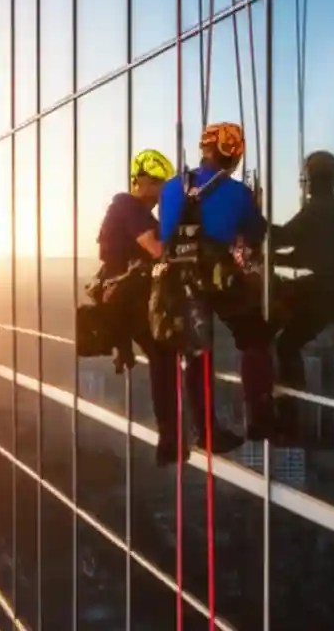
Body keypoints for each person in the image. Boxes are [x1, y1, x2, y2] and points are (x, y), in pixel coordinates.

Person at [90, 148, 238, 465]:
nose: (159, 192)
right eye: (157, 183)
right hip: (130, 301)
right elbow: (157, 248)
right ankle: (204, 431)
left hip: (125, 303)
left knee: (165, 360)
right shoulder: (127, 204)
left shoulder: (131, 211)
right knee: (194, 349)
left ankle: (173, 440)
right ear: (140, 180)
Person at [155, 122, 290, 445]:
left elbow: (166, 233)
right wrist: (252, 207)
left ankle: (205, 431)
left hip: (179, 277)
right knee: (254, 333)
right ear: (232, 154)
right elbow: (258, 236)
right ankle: (259, 417)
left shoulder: (171, 187)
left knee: (197, 351)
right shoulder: (237, 193)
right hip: (218, 277)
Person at [269, 150, 334, 390]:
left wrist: (252, 226)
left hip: (323, 294)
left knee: (280, 340)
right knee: (286, 342)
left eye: (305, 178)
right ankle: (290, 402)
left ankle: (288, 403)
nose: (303, 184)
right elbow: (308, 255)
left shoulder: (319, 209)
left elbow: (285, 237)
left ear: (313, 180)